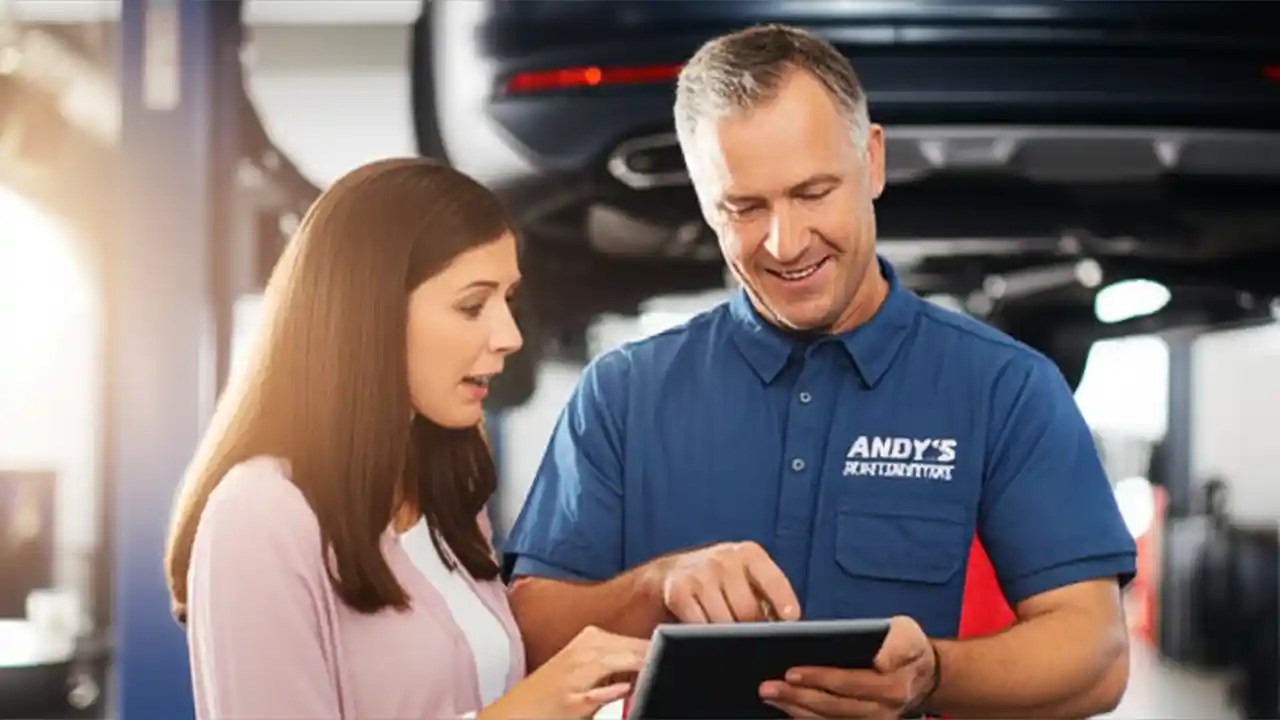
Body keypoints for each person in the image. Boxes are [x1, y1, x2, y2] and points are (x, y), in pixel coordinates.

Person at [503, 24, 1136, 719]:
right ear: (704, 199)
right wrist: (653, 588)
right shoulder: (623, 394)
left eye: (812, 192)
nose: (785, 242)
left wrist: (933, 671)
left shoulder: (1004, 388)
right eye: (743, 207)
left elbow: (1096, 657)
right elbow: (525, 636)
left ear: (872, 160)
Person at [162, 157, 647, 720]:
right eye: (472, 305)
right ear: (372, 314)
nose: (510, 335)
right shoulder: (259, 514)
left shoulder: (447, 498)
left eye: (508, 300)